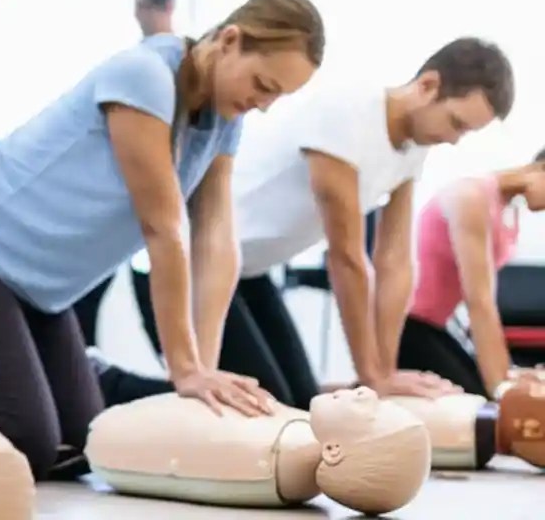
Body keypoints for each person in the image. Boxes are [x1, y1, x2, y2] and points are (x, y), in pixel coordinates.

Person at [0, 0, 326, 479]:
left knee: (85, 441)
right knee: (27, 441)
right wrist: (184, 369)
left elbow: (214, 240)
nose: (264, 104)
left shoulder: (223, 122)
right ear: (231, 40)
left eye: (277, 97)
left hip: (42, 291)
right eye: (263, 85)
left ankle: (72, 378)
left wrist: (204, 372)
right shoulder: (145, 76)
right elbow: (164, 228)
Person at [122, 37, 514, 410]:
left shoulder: (415, 148)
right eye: (457, 123)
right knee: (261, 404)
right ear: (428, 86)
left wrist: (386, 371)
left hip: (249, 273)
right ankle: (102, 384)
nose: (454, 139)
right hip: (191, 265)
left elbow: (394, 261)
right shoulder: (348, 115)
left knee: (301, 406)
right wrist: (371, 376)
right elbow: (346, 259)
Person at [398, 148, 545, 397]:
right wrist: (502, 389)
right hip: (405, 323)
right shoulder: (471, 197)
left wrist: (508, 373)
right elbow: (479, 302)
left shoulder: (508, 210)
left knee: (488, 391)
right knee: (480, 403)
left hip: (437, 325)